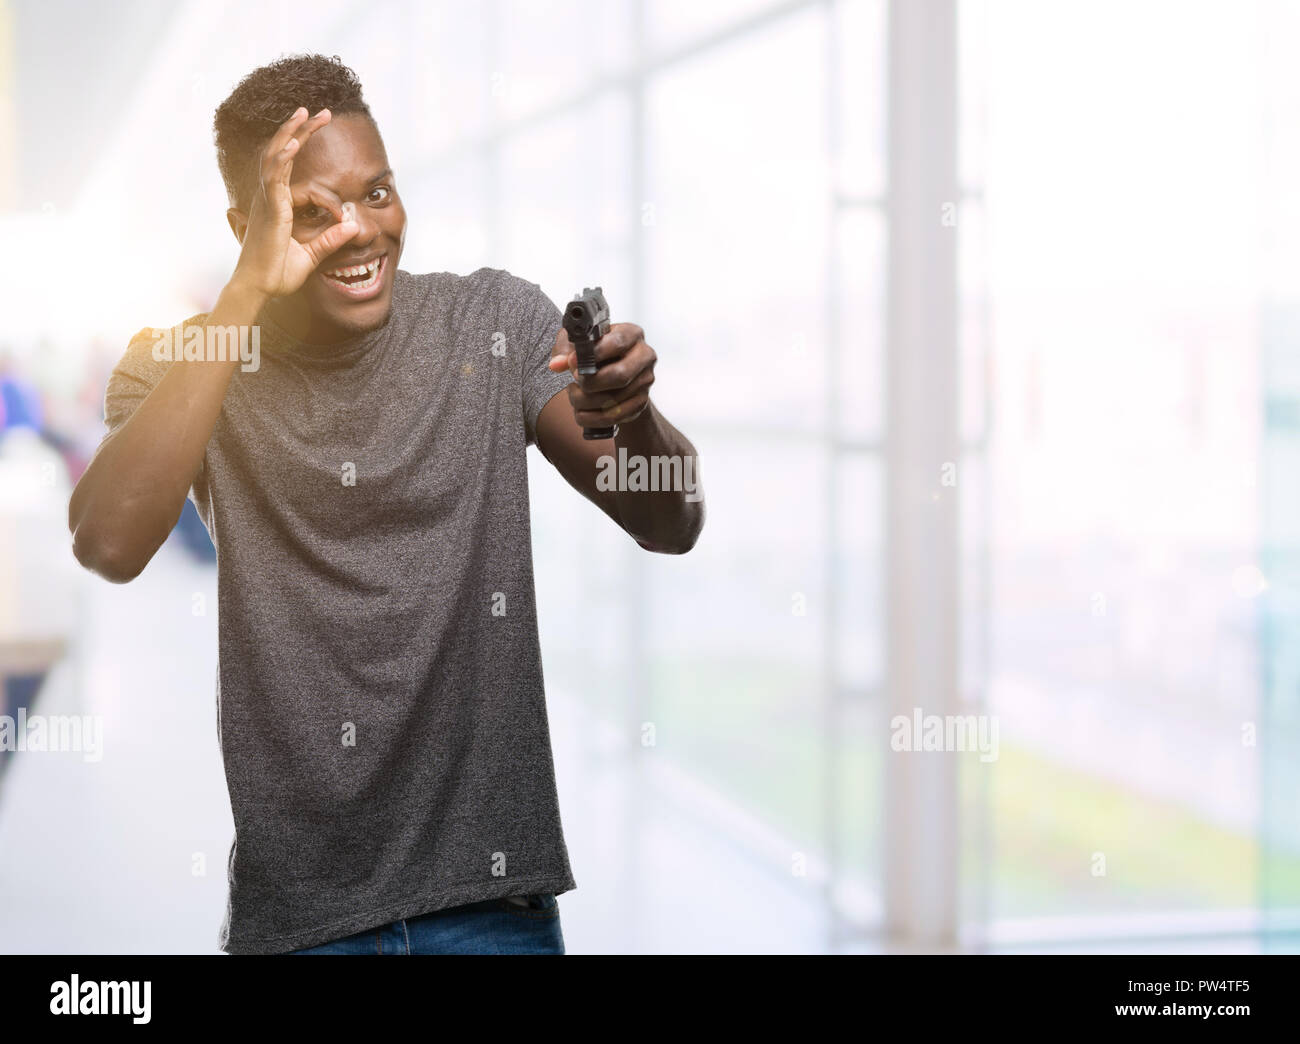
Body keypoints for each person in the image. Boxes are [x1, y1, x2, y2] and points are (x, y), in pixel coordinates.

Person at [66, 54, 704, 955]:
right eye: (312, 213)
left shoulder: (493, 322)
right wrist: (245, 292)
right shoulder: (183, 360)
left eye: (378, 193)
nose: (361, 232)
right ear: (248, 227)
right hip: (303, 922)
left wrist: (635, 418)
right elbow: (109, 543)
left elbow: (670, 520)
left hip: (493, 904)